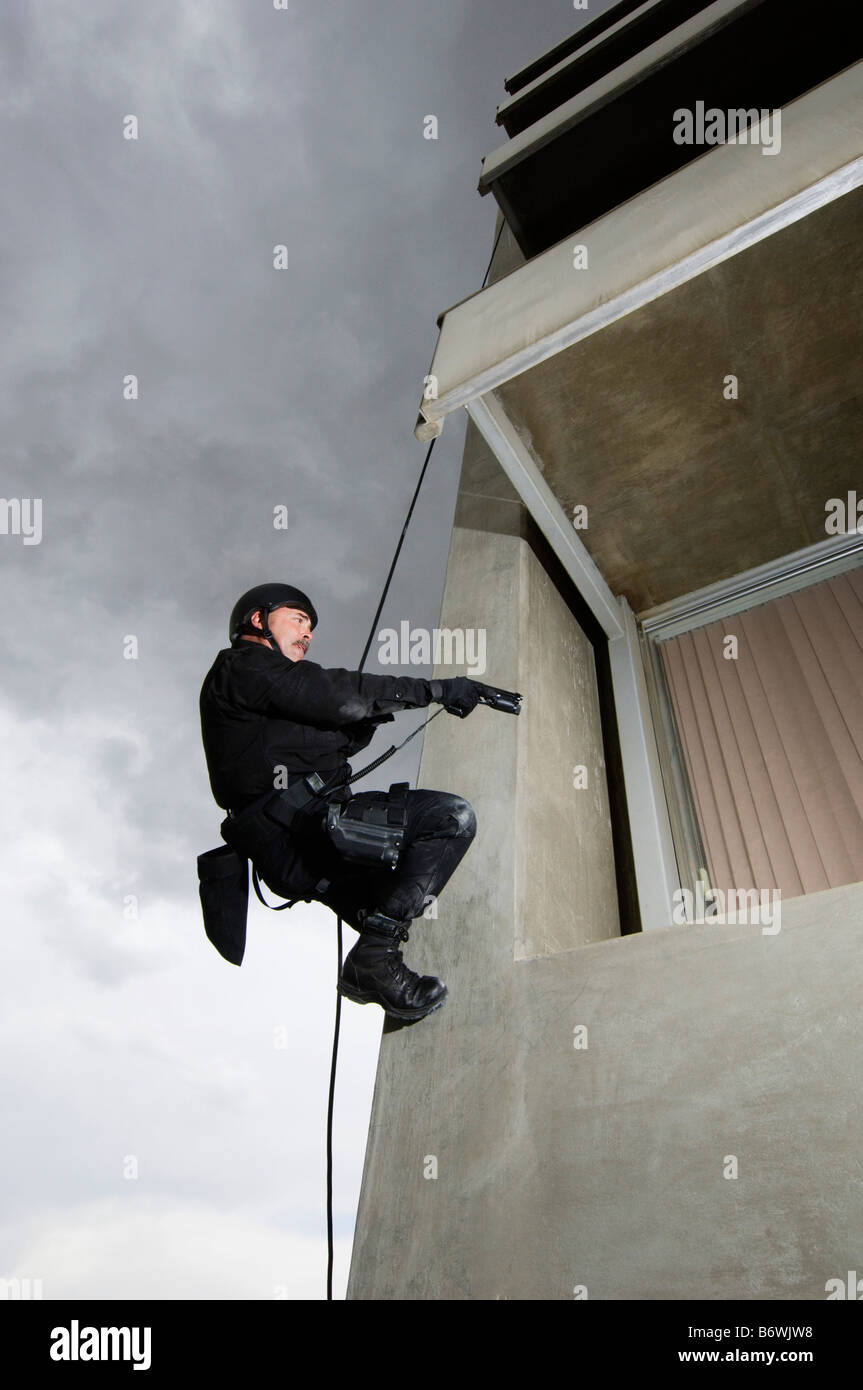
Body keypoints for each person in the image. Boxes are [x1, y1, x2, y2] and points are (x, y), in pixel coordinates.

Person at [199, 582, 483, 1023]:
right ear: (258, 621)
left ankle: (375, 973)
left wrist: (368, 717)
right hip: (302, 832)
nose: (307, 632)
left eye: (310, 626)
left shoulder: (262, 698)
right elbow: (338, 696)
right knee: (449, 819)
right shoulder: (241, 665)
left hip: (301, 850)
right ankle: (371, 962)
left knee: (394, 909)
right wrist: (438, 691)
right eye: (298, 619)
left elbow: (318, 742)